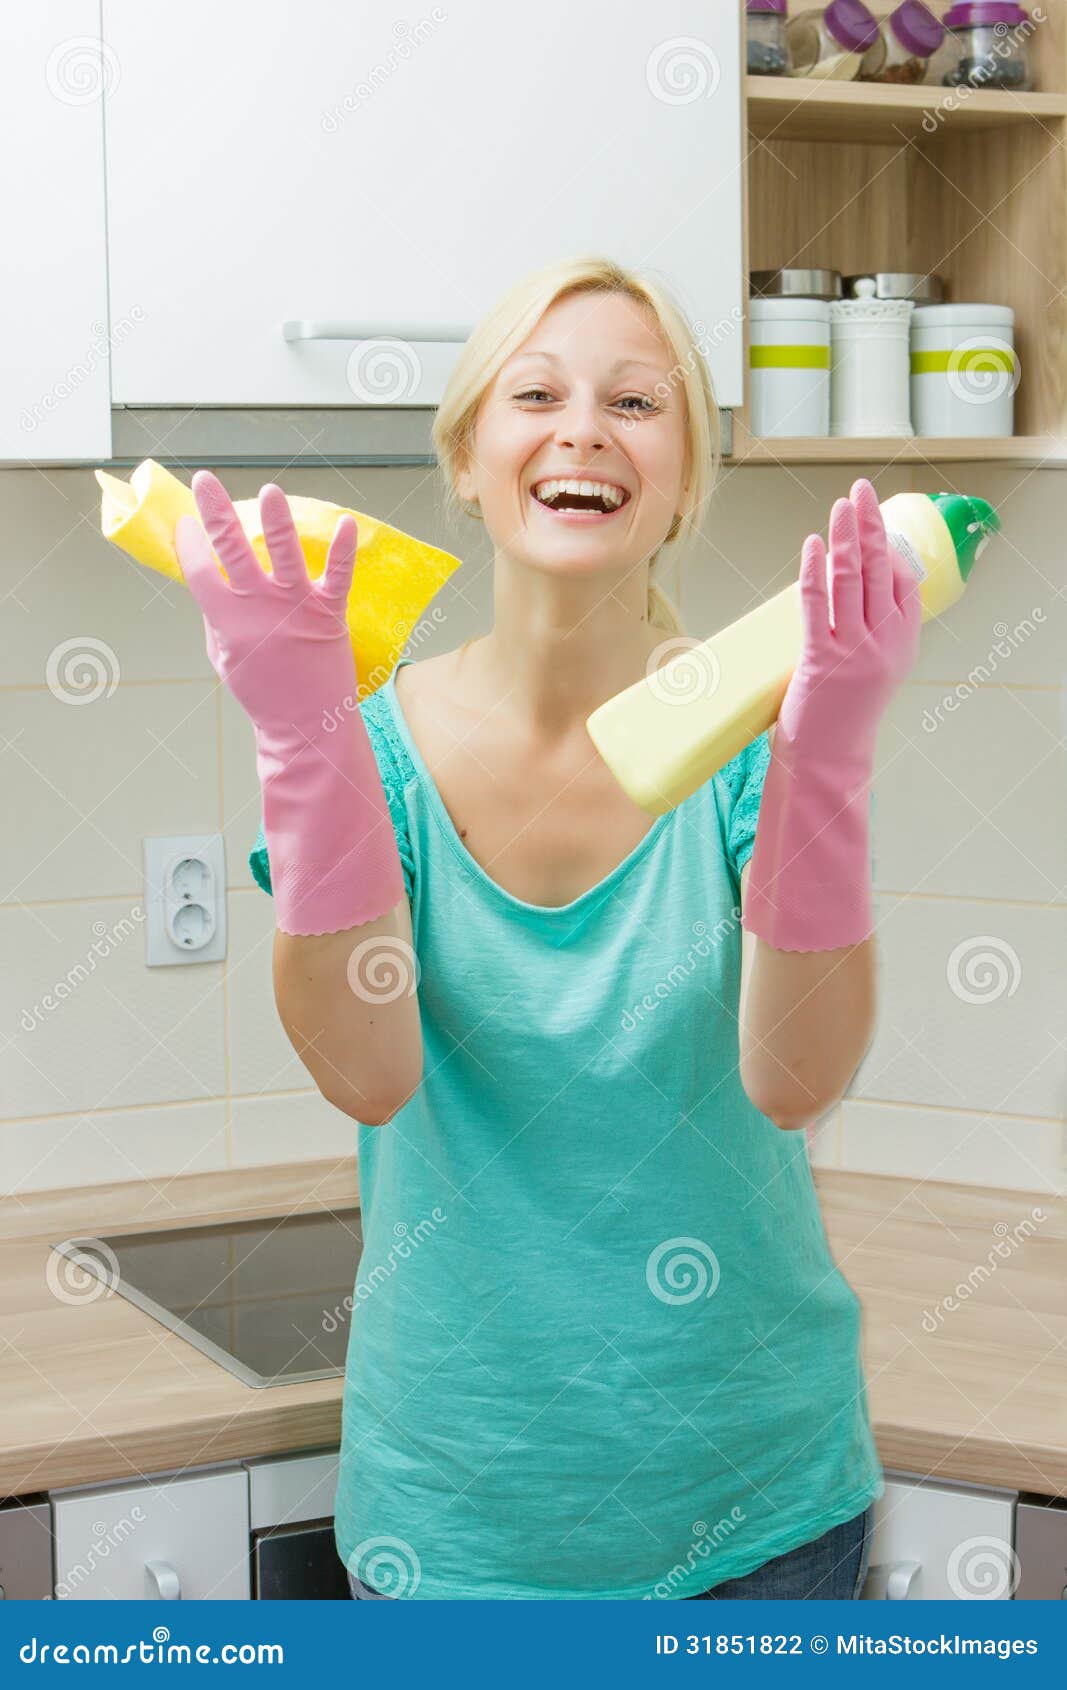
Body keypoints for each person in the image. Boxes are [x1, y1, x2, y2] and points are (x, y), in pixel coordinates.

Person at [175, 255, 921, 1601]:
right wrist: (305, 736)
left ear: (688, 476)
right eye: (537, 392)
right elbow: (366, 1070)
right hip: (456, 1524)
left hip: (757, 1510)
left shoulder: (757, 748)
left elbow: (795, 1079)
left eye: (636, 401)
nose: (583, 426)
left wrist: (829, 765)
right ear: (469, 456)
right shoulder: (374, 758)